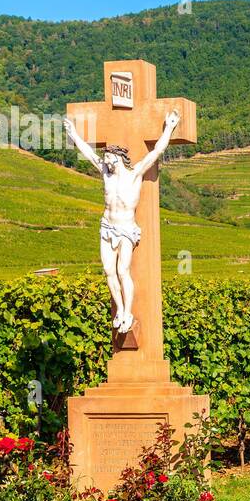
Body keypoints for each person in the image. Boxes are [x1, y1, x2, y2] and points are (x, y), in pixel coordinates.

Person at [63, 109, 181, 334]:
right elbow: (88, 154)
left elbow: (156, 151)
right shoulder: (105, 173)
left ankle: (127, 311)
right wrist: (74, 134)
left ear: (119, 158)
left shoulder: (134, 173)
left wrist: (169, 128)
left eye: (110, 158)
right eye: (105, 158)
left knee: (122, 269)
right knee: (108, 270)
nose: (106, 161)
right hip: (107, 226)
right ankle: (119, 309)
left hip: (126, 228)